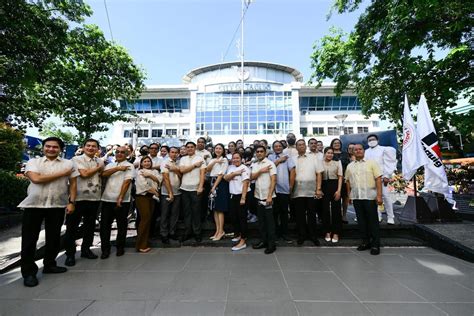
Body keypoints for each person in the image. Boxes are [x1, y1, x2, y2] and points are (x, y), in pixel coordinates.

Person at [19, 137, 79, 287]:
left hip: (57, 205)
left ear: (60, 149)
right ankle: (29, 273)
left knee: (53, 238)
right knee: (29, 240)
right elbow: (36, 179)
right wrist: (63, 173)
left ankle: (50, 265)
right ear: (43, 148)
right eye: (48, 146)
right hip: (34, 205)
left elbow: (73, 184)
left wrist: (72, 202)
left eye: (55, 147)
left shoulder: (68, 163)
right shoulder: (34, 162)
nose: (51, 149)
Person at [64, 138, 103, 267]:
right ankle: (70, 254)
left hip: (95, 198)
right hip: (78, 198)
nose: (91, 148)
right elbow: (84, 174)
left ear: (97, 149)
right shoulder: (76, 160)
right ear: (84, 147)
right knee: (72, 227)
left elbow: (103, 175)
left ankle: (86, 250)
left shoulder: (99, 160)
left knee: (90, 226)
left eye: (94, 146)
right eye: (88, 146)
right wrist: (99, 167)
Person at [346, 144, 383, 255]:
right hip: (357, 197)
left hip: (370, 197)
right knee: (361, 221)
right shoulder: (350, 166)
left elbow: (378, 179)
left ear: (363, 151)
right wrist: (349, 195)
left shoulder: (372, 163)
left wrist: (379, 195)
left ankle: (375, 244)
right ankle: (365, 242)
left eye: (360, 149)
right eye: (355, 150)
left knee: (373, 221)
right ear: (353, 152)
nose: (358, 151)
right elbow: (347, 181)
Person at [100, 146, 134, 259]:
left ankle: (120, 247)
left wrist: (120, 197)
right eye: (117, 152)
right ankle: (105, 249)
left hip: (122, 201)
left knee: (122, 225)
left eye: (122, 152)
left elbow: (127, 181)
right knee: (105, 226)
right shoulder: (110, 165)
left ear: (127, 154)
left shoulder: (130, 165)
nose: (119, 154)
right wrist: (118, 169)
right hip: (106, 199)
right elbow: (103, 174)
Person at [290, 139, 323, 246]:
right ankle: (302, 236)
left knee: (312, 214)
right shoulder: (292, 159)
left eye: (303, 144)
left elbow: (319, 174)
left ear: (306, 146)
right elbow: (291, 174)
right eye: (299, 145)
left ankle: (313, 236)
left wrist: (318, 189)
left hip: (311, 191)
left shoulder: (313, 157)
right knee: (300, 215)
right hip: (298, 191)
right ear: (296, 147)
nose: (301, 146)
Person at [364, 134, 397, 224]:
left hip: (382, 178)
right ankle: (378, 215)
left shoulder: (384, 149)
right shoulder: (366, 152)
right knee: (374, 198)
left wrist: (387, 175)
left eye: (373, 139)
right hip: (370, 179)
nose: (371, 141)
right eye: (369, 140)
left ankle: (391, 217)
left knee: (386, 197)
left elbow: (389, 162)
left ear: (377, 140)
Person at [251, 145, 277, 254]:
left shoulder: (270, 164)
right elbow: (252, 177)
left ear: (265, 152)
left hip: (268, 197)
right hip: (258, 197)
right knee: (261, 222)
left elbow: (274, 180)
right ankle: (264, 241)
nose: (259, 153)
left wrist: (270, 196)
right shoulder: (255, 164)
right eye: (257, 152)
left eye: (261, 151)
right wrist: (261, 171)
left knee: (270, 223)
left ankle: (272, 245)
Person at [268, 140, 295, 243]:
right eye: (276, 146)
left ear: (282, 147)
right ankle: (275, 234)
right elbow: (268, 167)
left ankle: (284, 234)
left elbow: (292, 171)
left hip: (284, 189)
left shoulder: (287, 157)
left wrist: (291, 186)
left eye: (279, 146)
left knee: (284, 213)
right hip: (273, 189)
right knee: (274, 213)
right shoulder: (270, 157)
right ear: (273, 147)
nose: (278, 147)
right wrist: (279, 161)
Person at [179, 141, 206, 242]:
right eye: (188, 147)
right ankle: (187, 232)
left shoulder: (200, 158)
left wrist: (200, 187)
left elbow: (203, 173)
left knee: (196, 212)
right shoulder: (183, 159)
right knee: (187, 212)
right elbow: (182, 170)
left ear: (195, 148)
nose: (189, 148)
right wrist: (194, 165)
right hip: (184, 188)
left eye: (191, 147)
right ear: (186, 149)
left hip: (196, 189)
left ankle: (197, 233)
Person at [224, 152, 251, 251]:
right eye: (234, 158)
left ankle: (243, 240)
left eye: (237, 158)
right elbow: (226, 178)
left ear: (241, 159)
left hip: (242, 195)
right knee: (234, 217)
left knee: (242, 218)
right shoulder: (231, 168)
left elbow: (245, 183)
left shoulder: (245, 168)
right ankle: (238, 234)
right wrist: (235, 173)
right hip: (233, 195)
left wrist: (243, 198)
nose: (235, 160)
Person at [135, 156, 161, 253]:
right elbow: (143, 185)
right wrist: (154, 192)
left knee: (149, 220)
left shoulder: (155, 171)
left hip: (152, 198)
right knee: (145, 219)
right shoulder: (139, 172)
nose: (147, 163)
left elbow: (159, 180)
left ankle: (144, 244)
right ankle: (139, 245)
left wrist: (150, 176)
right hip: (142, 197)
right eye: (144, 161)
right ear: (141, 163)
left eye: (148, 161)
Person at [207, 144, 230, 241]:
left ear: (223, 150)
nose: (218, 150)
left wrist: (214, 186)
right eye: (216, 148)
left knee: (220, 208)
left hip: (220, 183)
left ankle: (221, 231)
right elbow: (207, 169)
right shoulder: (213, 160)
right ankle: (217, 231)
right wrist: (216, 161)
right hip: (212, 181)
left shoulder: (225, 160)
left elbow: (221, 175)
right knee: (215, 208)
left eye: (220, 148)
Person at [321, 147, 343, 243]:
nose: (330, 154)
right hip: (323, 186)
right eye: (328, 153)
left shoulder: (337, 163)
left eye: (331, 153)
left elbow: (340, 177)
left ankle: (336, 233)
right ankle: (327, 231)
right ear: (324, 153)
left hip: (335, 186)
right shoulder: (319, 163)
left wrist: (338, 190)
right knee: (325, 210)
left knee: (336, 210)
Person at [160, 147, 182, 243]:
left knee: (175, 214)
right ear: (169, 153)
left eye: (176, 152)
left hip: (178, 192)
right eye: (172, 152)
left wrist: (174, 169)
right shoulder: (165, 162)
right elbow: (165, 178)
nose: (174, 154)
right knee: (165, 214)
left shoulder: (179, 162)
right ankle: (164, 234)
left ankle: (172, 233)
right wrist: (170, 193)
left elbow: (181, 175)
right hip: (166, 192)